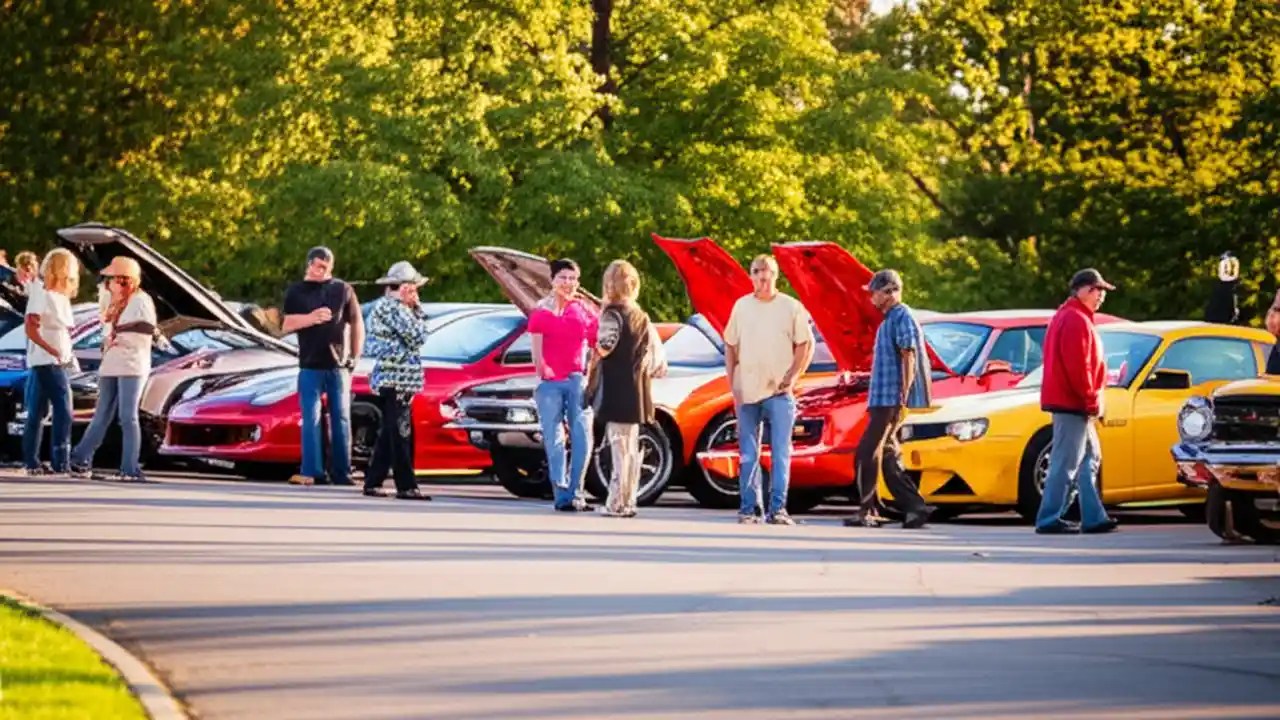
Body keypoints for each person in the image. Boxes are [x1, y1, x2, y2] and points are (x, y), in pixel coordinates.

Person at [724, 254, 815, 525]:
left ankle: (778, 509)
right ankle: (749, 508)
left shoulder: (791, 307)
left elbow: (805, 344)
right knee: (749, 453)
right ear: (750, 275)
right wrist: (733, 383)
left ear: (776, 276)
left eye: (768, 274)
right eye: (757, 273)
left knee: (780, 451)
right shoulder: (741, 306)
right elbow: (730, 344)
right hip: (748, 390)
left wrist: (793, 375)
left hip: (779, 392)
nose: (762, 279)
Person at [842, 269, 933, 529]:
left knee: (866, 452)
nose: (871, 297)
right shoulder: (890, 319)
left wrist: (902, 393)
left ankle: (868, 511)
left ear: (890, 292)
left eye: (875, 292)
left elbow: (909, 354)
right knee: (888, 455)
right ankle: (914, 508)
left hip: (890, 399)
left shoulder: (902, 316)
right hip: (883, 397)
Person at [1035, 268, 1119, 535]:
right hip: (1074, 403)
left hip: (1072, 402)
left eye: (1102, 291)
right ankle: (1049, 518)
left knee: (1088, 458)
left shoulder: (1069, 316)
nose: (1101, 296)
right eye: (1097, 290)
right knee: (1066, 461)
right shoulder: (1076, 320)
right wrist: (1091, 400)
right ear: (1082, 290)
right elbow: (1078, 367)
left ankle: (1094, 516)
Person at [281, 246, 364, 486]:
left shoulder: (342, 289)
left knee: (341, 418)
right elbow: (285, 323)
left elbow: (357, 323)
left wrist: (355, 355)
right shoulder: (296, 291)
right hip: (309, 364)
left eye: (326, 267)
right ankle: (312, 470)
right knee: (311, 418)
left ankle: (342, 472)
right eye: (318, 266)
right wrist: (311, 318)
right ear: (309, 265)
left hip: (338, 365)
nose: (322, 271)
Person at [591, 260, 667, 518]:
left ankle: (617, 502)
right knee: (631, 448)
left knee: (619, 448)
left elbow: (603, 347)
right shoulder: (641, 315)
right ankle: (629, 500)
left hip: (615, 387)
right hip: (637, 387)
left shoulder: (611, 315)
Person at [69, 257, 157, 482]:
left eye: (113, 279)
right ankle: (80, 458)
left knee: (127, 416)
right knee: (102, 415)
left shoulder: (140, 300)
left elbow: (147, 328)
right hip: (111, 363)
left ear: (125, 280)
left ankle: (129, 467)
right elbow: (105, 329)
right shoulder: (112, 301)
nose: (108, 283)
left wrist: (118, 331)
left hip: (132, 363)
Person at [530, 258, 599, 512]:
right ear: (552, 280)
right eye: (563, 278)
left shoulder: (583, 309)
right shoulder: (540, 311)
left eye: (572, 278)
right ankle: (560, 493)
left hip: (577, 379)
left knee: (582, 435)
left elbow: (596, 343)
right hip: (550, 383)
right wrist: (543, 369)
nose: (568, 283)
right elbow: (536, 351)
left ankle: (576, 491)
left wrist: (590, 372)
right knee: (554, 437)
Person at [362, 261, 433, 501]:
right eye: (413, 289)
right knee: (401, 432)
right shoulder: (395, 308)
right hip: (397, 378)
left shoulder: (386, 307)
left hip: (394, 377)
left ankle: (374, 480)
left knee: (390, 431)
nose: (416, 294)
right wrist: (417, 309)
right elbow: (418, 335)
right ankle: (406, 485)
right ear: (404, 288)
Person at [22, 249, 79, 476]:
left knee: (36, 411)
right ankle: (60, 461)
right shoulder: (41, 293)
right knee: (64, 409)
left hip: (54, 359)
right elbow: (30, 327)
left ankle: (32, 462)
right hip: (48, 360)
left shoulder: (59, 297)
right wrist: (52, 350)